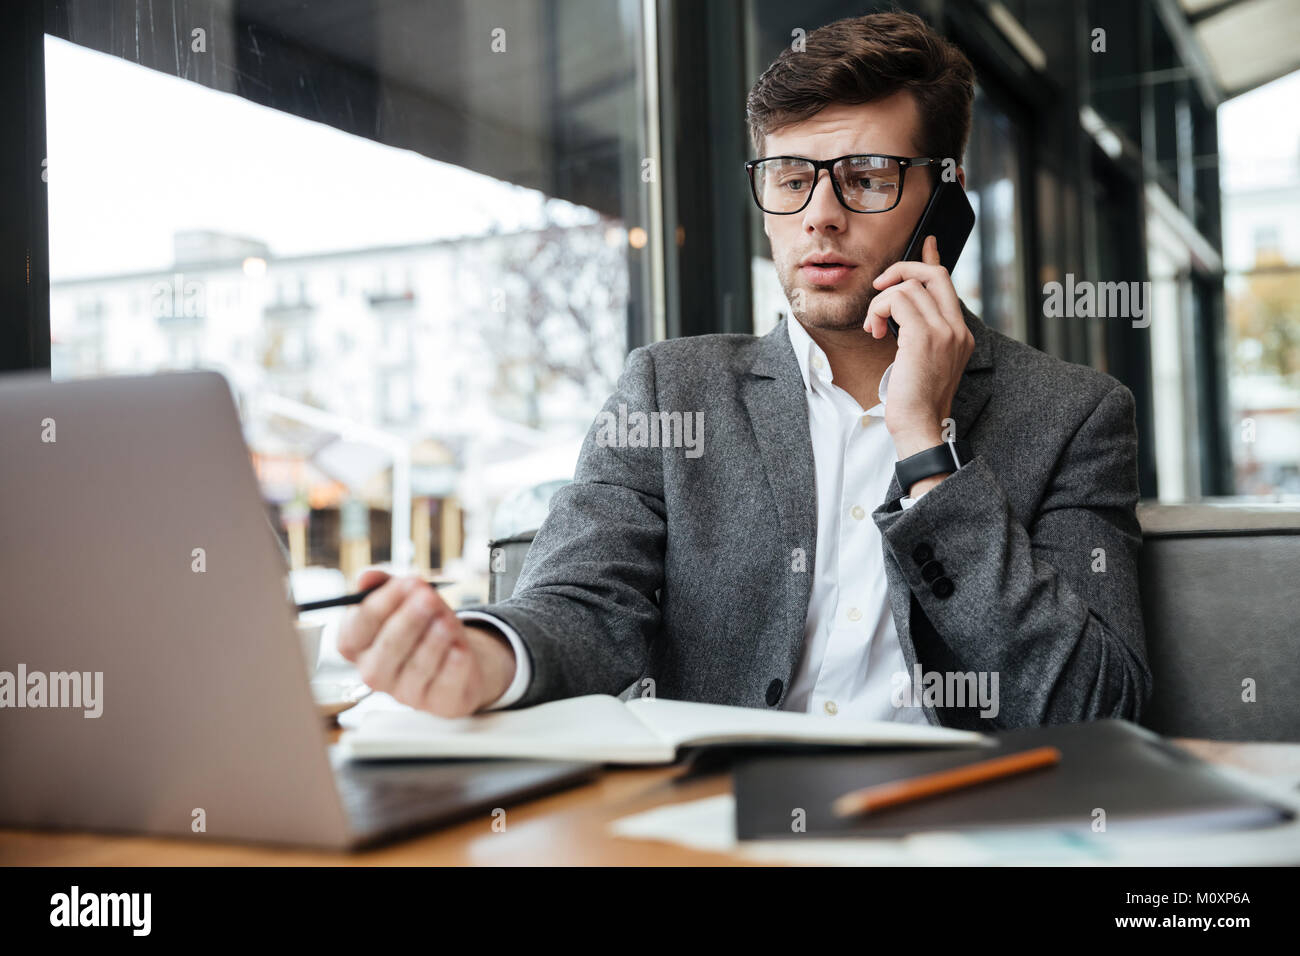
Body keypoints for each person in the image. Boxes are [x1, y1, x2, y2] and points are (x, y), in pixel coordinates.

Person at [336, 11, 1150, 730]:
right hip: (716, 826)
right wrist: (481, 660)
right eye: (791, 180)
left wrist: (927, 451)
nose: (820, 215)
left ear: (946, 198)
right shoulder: (671, 390)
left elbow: (1089, 706)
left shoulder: (1074, 413)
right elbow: (582, 605)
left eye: (865, 178)